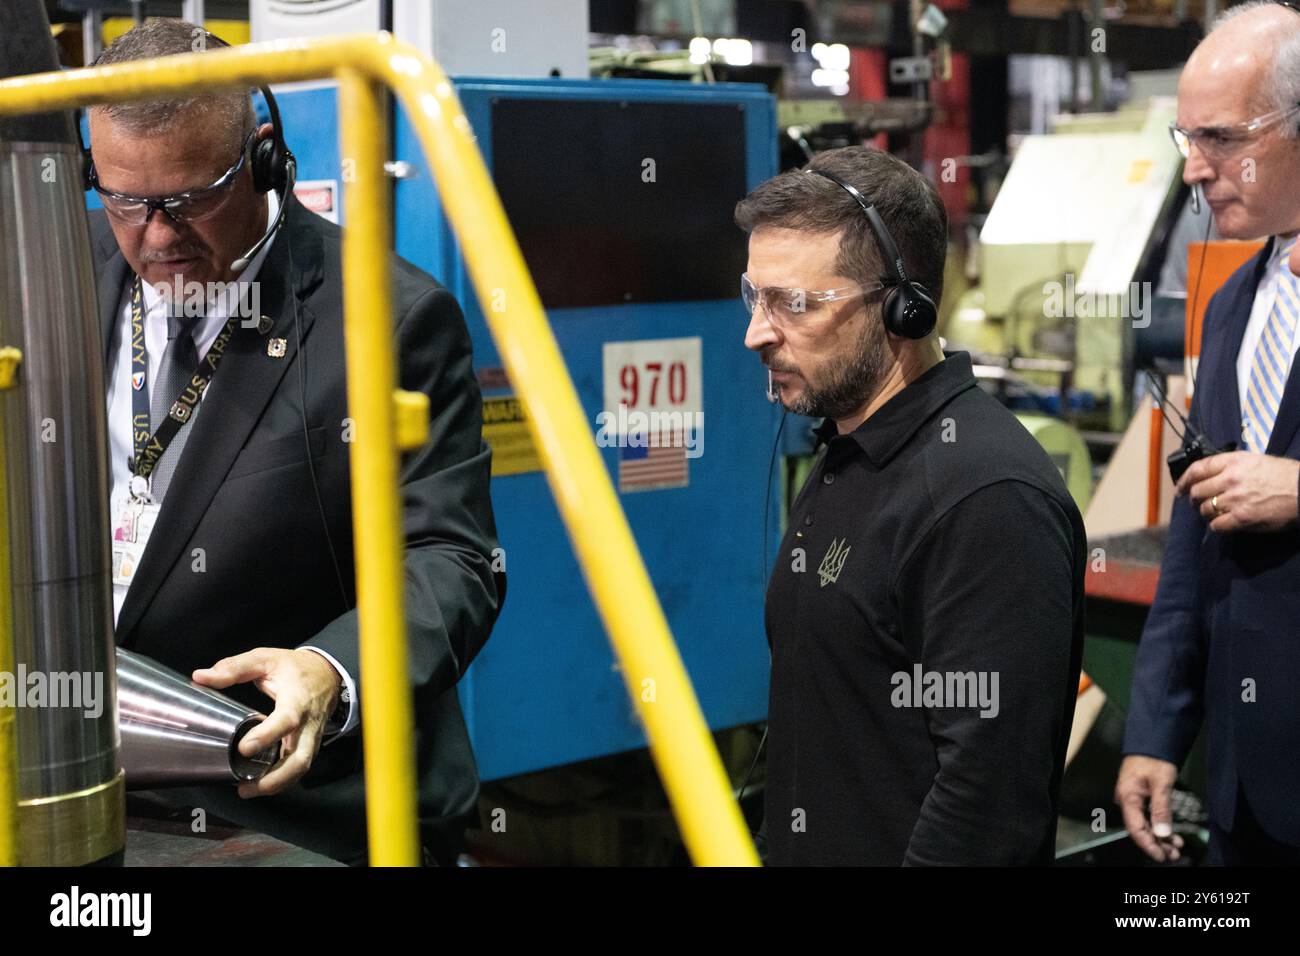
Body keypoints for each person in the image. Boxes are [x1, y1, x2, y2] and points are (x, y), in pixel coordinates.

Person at [87, 18, 503, 864]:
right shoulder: (59, 267)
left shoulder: (386, 318)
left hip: (283, 803)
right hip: (83, 779)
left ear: (264, 156)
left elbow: (450, 557)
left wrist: (328, 671)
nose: (159, 236)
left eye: (191, 196)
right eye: (128, 201)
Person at [738, 145, 1085, 865]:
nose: (757, 333)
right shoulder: (848, 452)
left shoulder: (986, 498)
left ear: (904, 308)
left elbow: (985, 804)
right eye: (755, 296)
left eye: (794, 304)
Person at [1118, 1, 1300, 866]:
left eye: (1221, 138)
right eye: (1187, 140)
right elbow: (1193, 543)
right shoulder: (1230, 307)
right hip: (1242, 789)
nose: (1195, 169)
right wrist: (1156, 728)